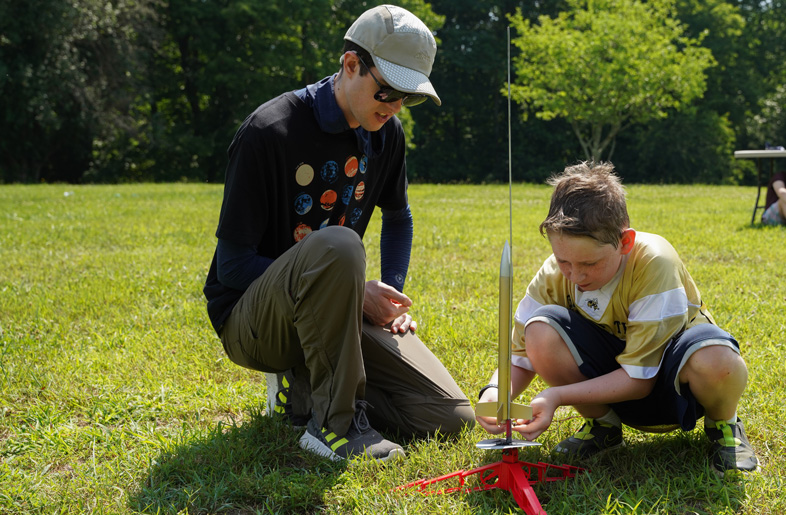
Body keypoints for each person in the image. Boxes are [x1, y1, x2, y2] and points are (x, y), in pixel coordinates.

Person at [202, 4, 474, 464]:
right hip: (252, 321)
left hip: (336, 307)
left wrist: (390, 296)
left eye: (409, 98)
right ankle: (335, 427)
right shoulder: (269, 131)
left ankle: (308, 392)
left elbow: (399, 215)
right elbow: (231, 267)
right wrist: (351, 289)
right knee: (339, 244)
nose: (394, 108)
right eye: (387, 92)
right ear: (351, 65)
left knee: (450, 417)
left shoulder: (387, 134)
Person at [476, 162, 759, 476]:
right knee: (540, 330)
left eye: (590, 263)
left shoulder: (654, 261)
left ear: (625, 242)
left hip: (673, 389)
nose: (575, 274)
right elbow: (518, 358)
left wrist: (555, 396)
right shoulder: (556, 273)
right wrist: (493, 393)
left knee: (717, 358)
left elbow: (640, 380)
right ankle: (603, 428)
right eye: (563, 260)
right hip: (611, 388)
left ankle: (724, 426)